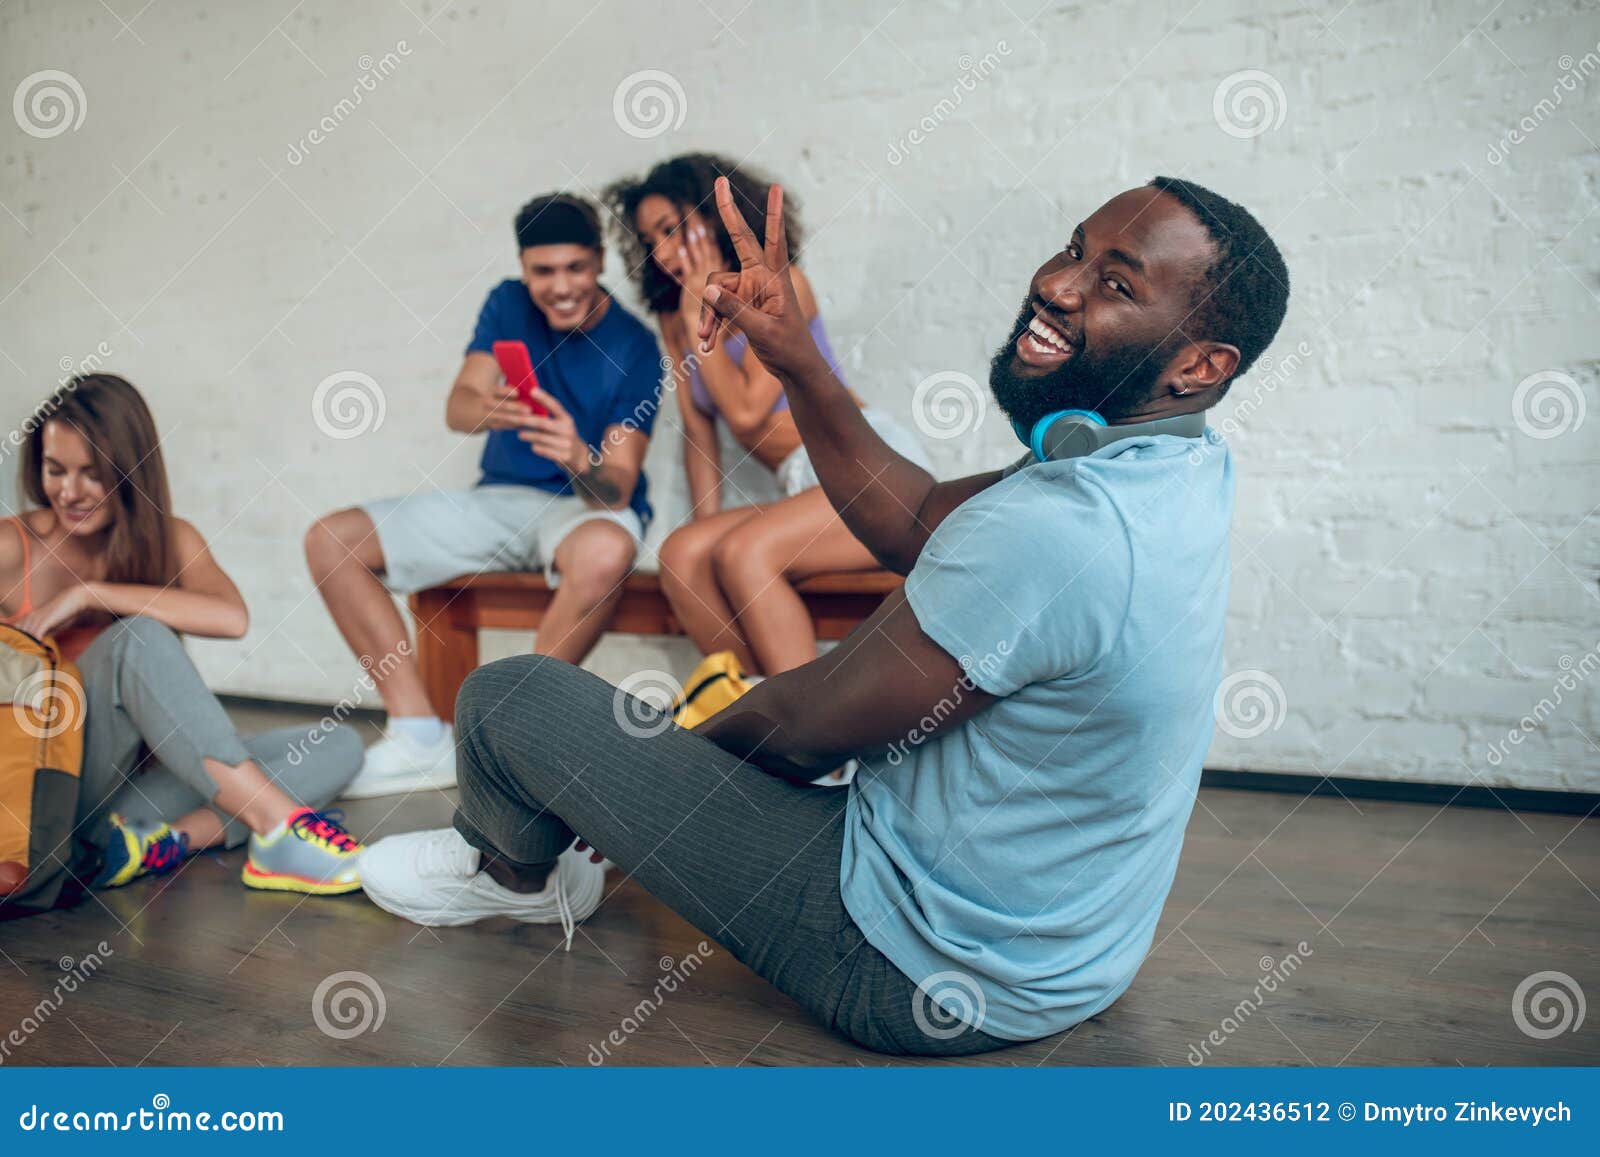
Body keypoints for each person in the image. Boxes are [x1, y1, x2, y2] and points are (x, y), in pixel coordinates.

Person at [359, 175, 1290, 1055]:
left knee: (514, 698)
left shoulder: (1062, 529)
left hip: (914, 968)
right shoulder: (1173, 466)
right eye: (1074, 251)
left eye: (1114, 284)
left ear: (1201, 363)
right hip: (1068, 957)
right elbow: (918, 517)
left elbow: (804, 729)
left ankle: (516, 872)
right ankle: (546, 847)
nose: (1055, 284)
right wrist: (798, 360)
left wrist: (626, 790)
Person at [305, 193, 663, 798]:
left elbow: (617, 485)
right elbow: (458, 405)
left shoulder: (635, 346)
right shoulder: (506, 302)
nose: (561, 287)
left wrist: (577, 454)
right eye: (543, 272)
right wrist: (497, 409)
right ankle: (419, 736)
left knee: (605, 551)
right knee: (331, 541)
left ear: (599, 260)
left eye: (575, 267)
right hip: (499, 501)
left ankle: (512, 741)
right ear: (524, 269)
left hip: (585, 509)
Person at [1, 374, 364, 894]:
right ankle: (281, 832)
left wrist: (93, 594)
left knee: (338, 744)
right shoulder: (14, 546)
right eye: (55, 470)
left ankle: (163, 841)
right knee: (140, 638)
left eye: (92, 473)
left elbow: (231, 617)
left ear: (129, 470)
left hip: (123, 795)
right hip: (48, 792)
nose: (69, 491)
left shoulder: (168, 538)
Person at [606, 156, 931, 676]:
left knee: (744, 555)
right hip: (806, 484)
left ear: (712, 218)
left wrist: (697, 315)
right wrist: (703, 537)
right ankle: (766, 718)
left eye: (671, 229)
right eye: (650, 241)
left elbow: (747, 411)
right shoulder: (676, 320)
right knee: (682, 557)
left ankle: (813, 749)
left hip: (871, 467)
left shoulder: (784, 286)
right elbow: (699, 434)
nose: (663, 252)